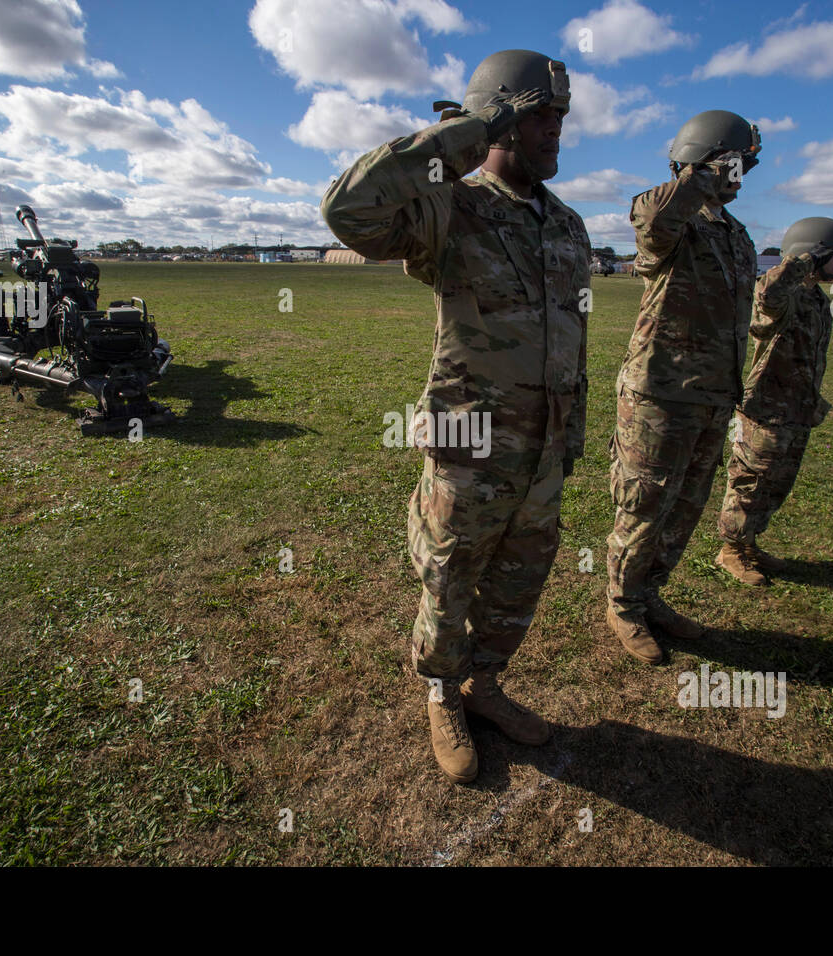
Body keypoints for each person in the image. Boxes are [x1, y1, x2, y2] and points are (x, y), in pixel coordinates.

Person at [320, 50, 590, 784]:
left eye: (560, 116)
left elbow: (576, 333)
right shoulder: (453, 205)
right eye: (539, 115)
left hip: (542, 448)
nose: (554, 130)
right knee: (450, 578)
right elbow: (349, 210)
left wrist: (575, 434)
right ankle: (441, 691)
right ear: (497, 116)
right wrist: (458, 138)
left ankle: (486, 684)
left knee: (520, 579)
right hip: (470, 441)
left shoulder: (568, 225)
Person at [606, 110, 760, 664]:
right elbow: (651, 223)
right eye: (740, 163)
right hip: (660, 393)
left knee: (685, 509)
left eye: (747, 166)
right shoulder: (671, 215)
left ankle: (650, 596)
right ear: (711, 159)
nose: (745, 175)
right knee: (645, 505)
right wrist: (698, 173)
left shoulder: (736, 236)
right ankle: (623, 606)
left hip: (714, 396)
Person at [716, 217, 833, 585]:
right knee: (749, 482)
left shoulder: (816, 299)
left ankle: (749, 542)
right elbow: (766, 295)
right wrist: (803, 260)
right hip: (765, 409)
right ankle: (730, 550)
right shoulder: (782, 295)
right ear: (812, 254)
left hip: (798, 410)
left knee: (776, 485)